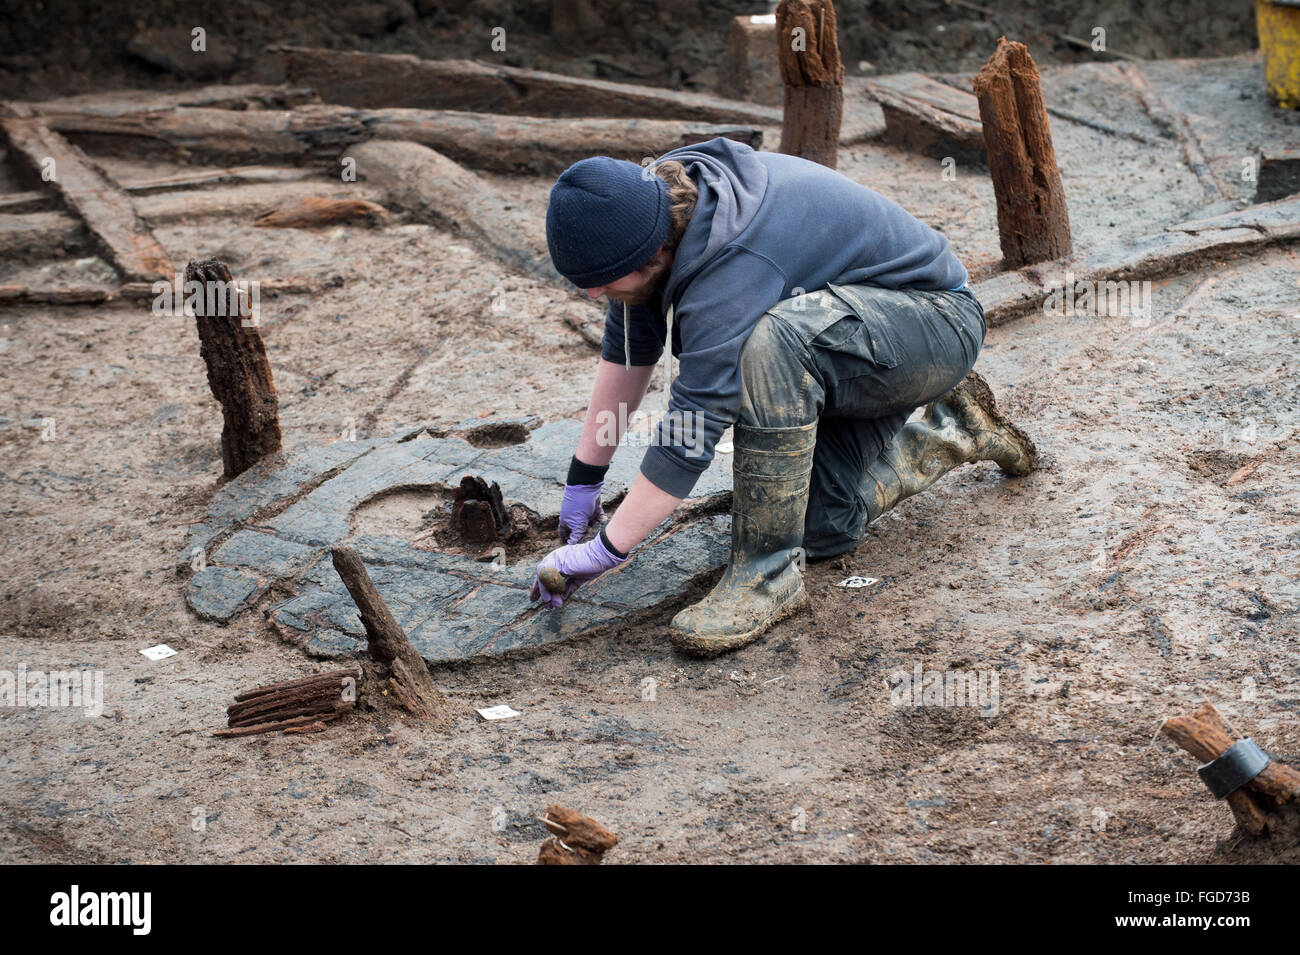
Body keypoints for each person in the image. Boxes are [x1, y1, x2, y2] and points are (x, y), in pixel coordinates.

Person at [529, 138, 1038, 657]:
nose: (592, 296)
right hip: (849, 347)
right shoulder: (652, 213)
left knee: (770, 342)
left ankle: (764, 575)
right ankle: (951, 427)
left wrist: (609, 549)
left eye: (600, 283)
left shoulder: (731, 258)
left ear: (652, 252)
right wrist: (583, 482)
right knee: (821, 529)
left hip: (933, 325)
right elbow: (628, 355)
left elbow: (695, 422)